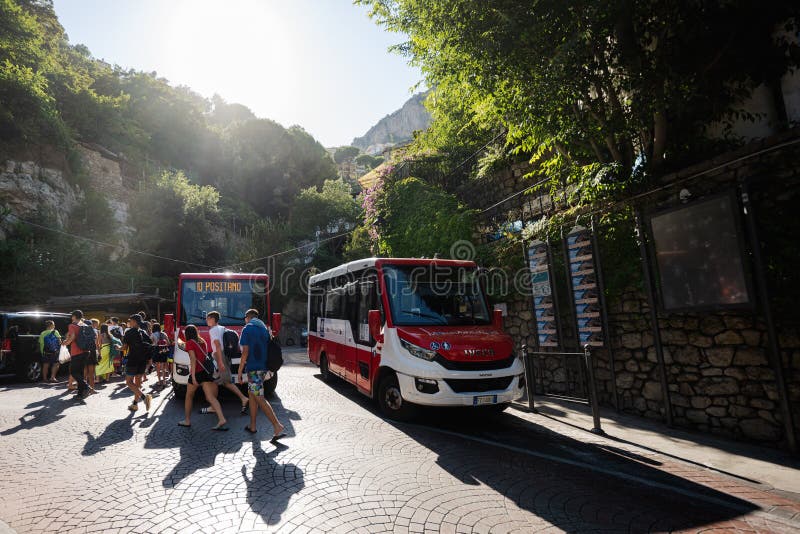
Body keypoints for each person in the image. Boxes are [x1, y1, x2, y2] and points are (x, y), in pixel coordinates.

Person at [238, 308, 285, 441]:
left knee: (259, 397)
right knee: (252, 395)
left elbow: (245, 352)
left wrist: (240, 371)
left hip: (253, 369)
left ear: (248, 317)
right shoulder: (264, 329)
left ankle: (277, 426)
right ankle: (252, 426)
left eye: (245, 318)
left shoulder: (247, 329)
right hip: (263, 368)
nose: (245, 320)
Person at [176, 325, 228, 430]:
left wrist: (194, 377)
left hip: (197, 372)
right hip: (206, 372)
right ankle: (221, 418)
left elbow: (193, 359)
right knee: (211, 398)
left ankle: (187, 420)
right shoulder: (202, 341)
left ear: (187, 334)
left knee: (189, 396)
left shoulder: (190, 343)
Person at [199, 311, 250, 415]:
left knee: (225, 381)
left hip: (219, 356)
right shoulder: (222, 328)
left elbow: (217, 345)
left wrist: (220, 362)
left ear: (213, 319)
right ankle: (213, 406)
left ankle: (243, 398)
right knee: (215, 380)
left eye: (208, 318)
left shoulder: (213, 330)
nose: (206, 320)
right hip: (225, 355)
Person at [121, 315, 152, 412]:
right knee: (137, 383)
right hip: (142, 361)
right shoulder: (143, 332)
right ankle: (135, 404)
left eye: (130, 321)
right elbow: (151, 342)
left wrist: (118, 347)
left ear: (134, 321)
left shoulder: (129, 332)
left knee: (129, 382)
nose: (129, 322)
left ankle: (144, 397)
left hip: (133, 360)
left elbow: (124, 347)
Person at [61, 310, 91, 400]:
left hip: (77, 352)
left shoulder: (72, 325)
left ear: (74, 316)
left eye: (72, 316)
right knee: (80, 373)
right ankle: (80, 393)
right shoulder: (85, 325)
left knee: (73, 372)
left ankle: (86, 387)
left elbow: (72, 336)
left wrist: (65, 343)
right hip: (86, 351)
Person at [150, 323, 170, 388]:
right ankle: (164, 381)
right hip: (163, 351)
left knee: (157, 367)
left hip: (156, 351)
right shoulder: (164, 334)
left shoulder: (153, 334)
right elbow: (168, 343)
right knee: (163, 367)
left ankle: (159, 381)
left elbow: (151, 343)